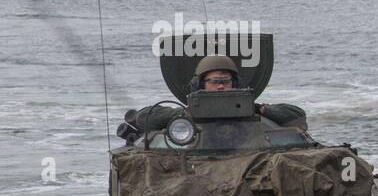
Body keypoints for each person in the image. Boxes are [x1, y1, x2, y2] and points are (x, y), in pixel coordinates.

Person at [118, 54, 307, 142]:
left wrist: (258, 108)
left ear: (235, 84)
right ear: (201, 84)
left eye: (226, 81)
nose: (221, 86)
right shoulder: (186, 115)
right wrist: (185, 113)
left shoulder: (252, 111)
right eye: (214, 81)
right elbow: (144, 118)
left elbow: (297, 115)